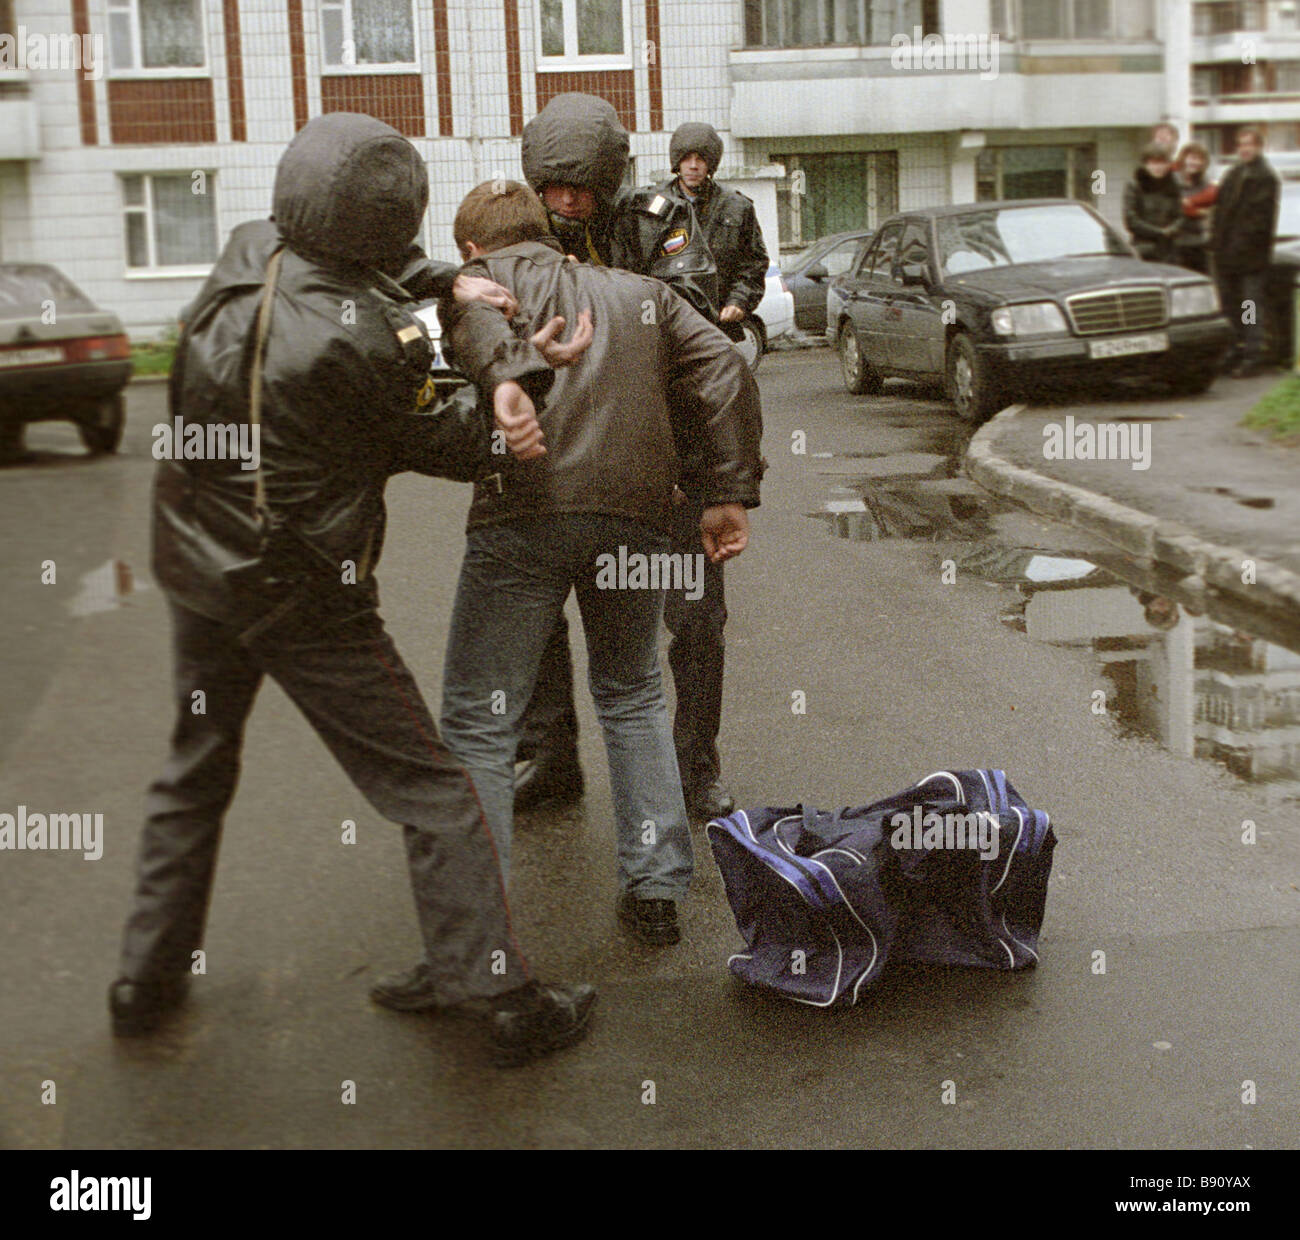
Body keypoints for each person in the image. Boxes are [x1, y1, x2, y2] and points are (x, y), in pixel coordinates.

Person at [111, 113, 596, 1068]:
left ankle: (143, 978)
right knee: (435, 788)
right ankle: (499, 995)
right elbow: (438, 439)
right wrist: (518, 403)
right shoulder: (367, 343)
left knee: (192, 772)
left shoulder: (243, 257)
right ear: (385, 223)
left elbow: (366, 270)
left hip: (197, 569)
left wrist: (443, 282)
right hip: (303, 593)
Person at [429, 179, 763, 952]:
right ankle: (654, 890)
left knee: (482, 724)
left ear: (473, 249)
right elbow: (723, 367)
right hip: (635, 517)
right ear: (547, 233)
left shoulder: (477, 287)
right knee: (633, 691)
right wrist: (726, 492)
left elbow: (473, 336)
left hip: (521, 515)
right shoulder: (641, 292)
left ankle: (471, 933)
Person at [609, 121, 770, 822]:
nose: (695, 167)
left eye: (705, 157)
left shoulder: (734, 213)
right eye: (686, 158)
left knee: (698, 626)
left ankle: (697, 767)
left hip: (687, 479)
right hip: (614, 481)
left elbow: (733, 422)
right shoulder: (638, 221)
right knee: (610, 632)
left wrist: (724, 492)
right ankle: (562, 757)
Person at [507, 93, 630, 807]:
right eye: (555, 188)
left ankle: (684, 771)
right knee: (537, 621)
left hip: (631, 458)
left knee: (651, 633)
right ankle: (551, 758)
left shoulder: (644, 231)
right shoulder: (519, 236)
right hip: (547, 454)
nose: (568, 202)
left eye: (581, 189)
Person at [1212, 126, 1281, 378]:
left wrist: (1237, 247)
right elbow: (1220, 212)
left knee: (1249, 305)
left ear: (1259, 147)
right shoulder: (1234, 173)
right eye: (1241, 144)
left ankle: (1253, 353)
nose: (1245, 149)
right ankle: (1234, 349)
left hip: (1250, 258)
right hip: (1226, 255)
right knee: (1229, 306)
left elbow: (1258, 222)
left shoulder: (1265, 177)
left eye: (1249, 144)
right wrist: (1218, 245)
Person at [1122, 142, 1183, 265]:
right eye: (1154, 163)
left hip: (1170, 251)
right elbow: (1130, 220)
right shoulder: (1134, 186)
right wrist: (1159, 232)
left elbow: (1181, 215)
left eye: (1162, 162)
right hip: (1143, 248)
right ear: (1146, 164)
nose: (1158, 167)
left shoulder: (1175, 185)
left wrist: (1172, 229)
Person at [1174, 141, 1216, 274]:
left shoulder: (1205, 182)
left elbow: (1212, 210)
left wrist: (1189, 204)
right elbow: (1173, 208)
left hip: (1199, 242)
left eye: (1200, 159)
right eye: (1192, 158)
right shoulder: (1172, 180)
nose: (1195, 163)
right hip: (1176, 243)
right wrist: (1195, 210)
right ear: (1184, 158)